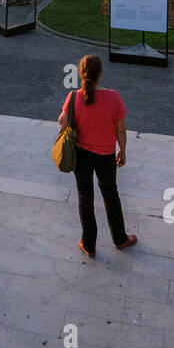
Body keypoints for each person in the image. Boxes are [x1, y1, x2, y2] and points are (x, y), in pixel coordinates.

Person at [59, 55, 137, 257]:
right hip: (106, 155)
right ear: (101, 74)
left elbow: (62, 122)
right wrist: (123, 150)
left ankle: (89, 244)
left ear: (81, 73)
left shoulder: (74, 96)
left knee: (85, 198)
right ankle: (120, 238)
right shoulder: (114, 97)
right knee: (111, 195)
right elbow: (121, 130)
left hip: (81, 155)